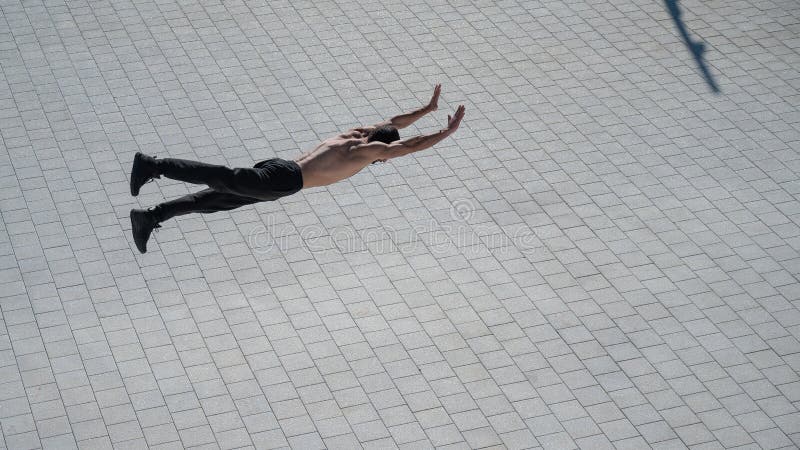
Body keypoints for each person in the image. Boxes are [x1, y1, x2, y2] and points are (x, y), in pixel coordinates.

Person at [129, 85, 465, 253]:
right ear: (381, 150)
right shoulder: (368, 150)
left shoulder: (360, 133)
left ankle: (153, 216)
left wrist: (429, 108)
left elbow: (396, 123)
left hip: (282, 167)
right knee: (225, 179)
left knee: (219, 198)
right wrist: (445, 133)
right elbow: (408, 145)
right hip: (286, 180)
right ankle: (154, 165)